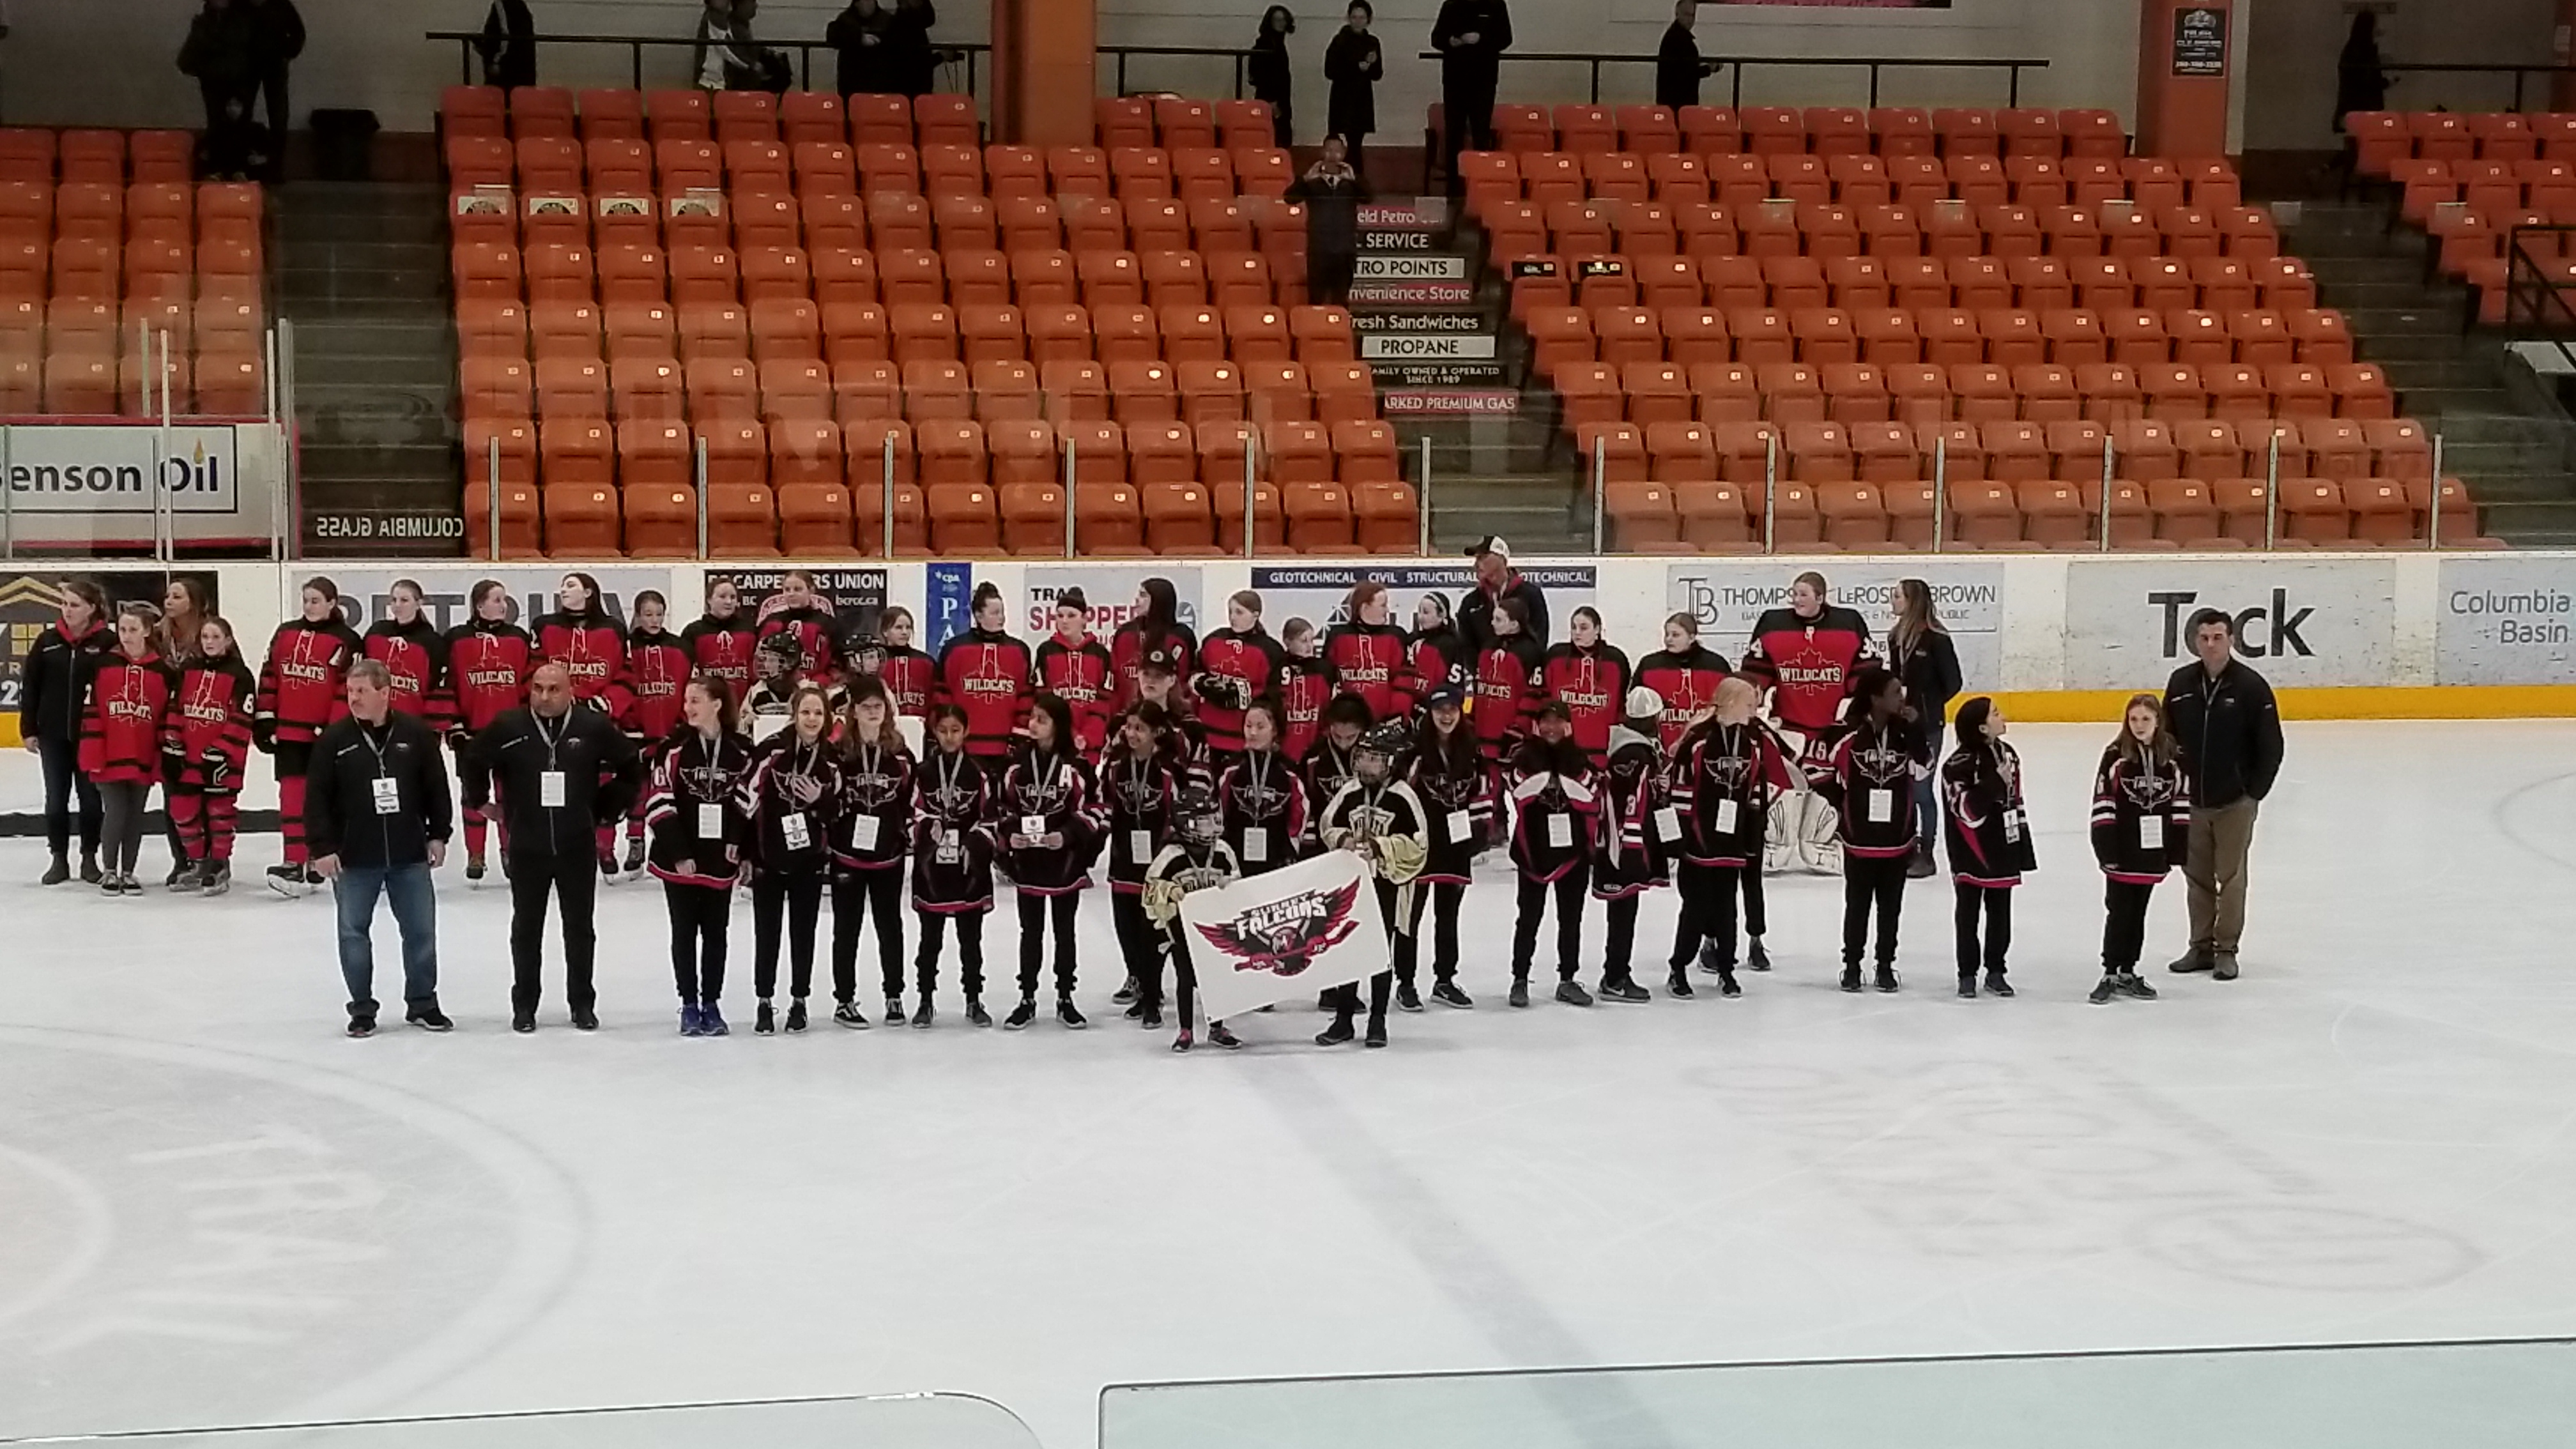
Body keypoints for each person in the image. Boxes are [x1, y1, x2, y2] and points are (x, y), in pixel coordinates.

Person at [475, 661, 644, 1032]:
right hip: (527, 844)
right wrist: (481, 801)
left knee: (579, 928)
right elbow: (473, 757)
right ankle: (524, 1006)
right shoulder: (510, 726)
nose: (545, 696)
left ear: (570, 692)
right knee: (526, 928)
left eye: (554, 689)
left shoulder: (591, 726)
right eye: (538, 688)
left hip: (576, 844)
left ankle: (582, 1003)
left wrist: (605, 808)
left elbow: (632, 767)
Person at [306, 659, 453, 1038]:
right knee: (353, 933)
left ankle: (423, 1003)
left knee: (421, 932)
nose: (353, 699)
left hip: (409, 853)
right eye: (350, 692)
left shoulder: (416, 734)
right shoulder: (334, 740)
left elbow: (436, 786)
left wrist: (439, 834)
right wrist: (322, 847)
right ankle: (362, 1009)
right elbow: (316, 798)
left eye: (361, 692)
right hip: (354, 857)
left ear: (385, 693)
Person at [2161, 608, 2282, 981]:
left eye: (2218, 637)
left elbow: (2271, 746)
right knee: (2196, 877)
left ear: (2231, 639)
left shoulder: (2251, 687)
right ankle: (2200, 946)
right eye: (2204, 638)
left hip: (2234, 803)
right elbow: (2167, 739)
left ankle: (2226, 949)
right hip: (2191, 802)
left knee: (2230, 878)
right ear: (2195, 641)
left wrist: (2252, 794)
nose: (2211, 645)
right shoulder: (2181, 683)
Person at [1666, 676, 1798, 997]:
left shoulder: (1749, 741)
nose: (1755, 710)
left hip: (1732, 840)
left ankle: (1726, 968)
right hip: (1700, 840)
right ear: (1731, 702)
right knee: (1696, 907)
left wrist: (1752, 831)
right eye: (1750, 703)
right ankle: (1679, 967)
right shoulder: (1698, 739)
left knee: (1727, 907)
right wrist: (1683, 836)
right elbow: (1680, 789)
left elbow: (1755, 787)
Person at [1742, 571, 1874, 875]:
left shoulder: (1849, 623)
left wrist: (1857, 714)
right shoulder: (1772, 623)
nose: (1796, 599)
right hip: (1788, 727)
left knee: (1828, 787)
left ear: (1821, 597)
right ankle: (1777, 841)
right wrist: (1752, 705)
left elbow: (1866, 675)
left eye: (1803, 594)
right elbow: (1756, 671)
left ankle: (1821, 841)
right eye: (1794, 593)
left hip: (1832, 731)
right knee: (1782, 784)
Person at [647, 676, 753, 1037]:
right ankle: (689, 1003)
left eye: (696, 700)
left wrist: (739, 843)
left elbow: (748, 802)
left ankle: (712, 1002)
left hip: (720, 857)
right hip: (680, 857)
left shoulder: (741, 750)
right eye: (687, 700)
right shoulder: (672, 748)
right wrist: (678, 852)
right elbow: (659, 800)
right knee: (684, 932)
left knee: (716, 932)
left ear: (717, 704)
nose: (688, 707)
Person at [1814, 666, 1929, 994]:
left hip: (1898, 836)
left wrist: (1916, 728)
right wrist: (1842, 801)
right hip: (1859, 837)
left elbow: (1924, 769)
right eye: (1895, 693)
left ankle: (1885, 966)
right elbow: (1814, 767)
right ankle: (1851, 966)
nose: (1901, 698)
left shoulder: (1905, 733)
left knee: (1891, 907)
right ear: (1875, 698)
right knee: (1858, 904)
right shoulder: (1845, 733)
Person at [1314, 720, 1428, 1046]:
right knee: (1347, 950)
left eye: (1373, 759)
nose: (1364, 765)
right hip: (1351, 887)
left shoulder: (1404, 796)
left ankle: (1378, 1020)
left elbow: (1419, 845)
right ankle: (1344, 1020)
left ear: (1391, 761)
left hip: (1387, 887)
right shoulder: (1349, 792)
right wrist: (1344, 839)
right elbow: (1327, 825)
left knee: (1380, 954)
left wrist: (1382, 847)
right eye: (1362, 757)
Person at [998, 693, 1103, 1030]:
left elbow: (1096, 811)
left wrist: (1069, 837)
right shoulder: (1016, 765)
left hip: (1064, 864)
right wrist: (1011, 835)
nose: (1033, 724)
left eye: (1042, 719)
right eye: (1032, 717)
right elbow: (1003, 810)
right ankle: (1027, 998)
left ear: (1058, 726)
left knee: (1064, 932)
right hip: (1029, 863)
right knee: (1030, 933)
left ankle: (1065, 997)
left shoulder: (1078, 767)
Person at [742, 682, 841, 1033]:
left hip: (809, 862)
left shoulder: (833, 758)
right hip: (769, 859)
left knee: (804, 933)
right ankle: (764, 1001)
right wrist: (748, 855)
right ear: (794, 715)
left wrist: (819, 800)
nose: (812, 719)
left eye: (818, 712)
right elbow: (745, 800)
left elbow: (841, 813)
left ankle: (800, 1000)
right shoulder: (771, 751)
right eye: (805, 712)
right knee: (766, 933)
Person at [256, 576, 360, 896]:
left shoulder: (348, 640)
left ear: (332, 603)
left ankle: (321, 859)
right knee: (290, 798)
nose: (310, 606)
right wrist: (265, 719)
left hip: (324, 738)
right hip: (289, 734)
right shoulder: (285, 633)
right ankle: (293, 861)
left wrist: (332, 728)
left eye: (316, 600)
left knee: (324, 802)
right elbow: (270, 676)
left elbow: (348, 689)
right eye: (306, 600)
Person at [2090, 694, 2188, 1006]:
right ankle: (2109, 970)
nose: (2139, 725)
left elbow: (2181, 803)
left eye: (2146, 719)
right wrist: (2107, 850)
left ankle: (2128, 970)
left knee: (2139, 912)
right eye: (2133, 719)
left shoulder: (2171, 757)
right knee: (2118, 910)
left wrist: (2176, 850)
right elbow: (2103, 802)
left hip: (2152, 850)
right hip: (2122, 849)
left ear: (2158, 721)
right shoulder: (2115, 756)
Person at [532, 571, 631, 873]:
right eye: (562, 585)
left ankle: (605, 848)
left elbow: (626, 675)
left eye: (571, 586)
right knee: (561, 785)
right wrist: (553, 700)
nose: (563, 590)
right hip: (556, 721)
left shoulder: (613, 629)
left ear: (589, 592)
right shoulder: (544, 626)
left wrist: (602, 704)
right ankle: (558, 846)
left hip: (598, 719)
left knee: (603, 783)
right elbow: (532, 670)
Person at [831, 680, 916, 1026]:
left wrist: (905, 834)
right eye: (865, 706)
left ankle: (894, 994)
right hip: (847, 854)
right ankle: (845, 1000)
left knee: (889, 925)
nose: (872, 712)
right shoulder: (838, 753)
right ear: (853, 711)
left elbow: (911, 801)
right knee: (846, 928)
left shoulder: (901, 754)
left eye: (877, 706)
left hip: (888, 855)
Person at [1503, 700, 1597, 1008]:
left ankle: (1568, 978)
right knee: (1528, 918)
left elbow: (1592, 792)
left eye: (1558, 722)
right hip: (1533, 851)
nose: (1551, 728)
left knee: (1571, 919)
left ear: (1569, 726)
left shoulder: (1580, 757)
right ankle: (1519, 978)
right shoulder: (1525, 757)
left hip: (1573, 852)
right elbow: (1518, 789)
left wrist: (1563, 773)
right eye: (1545, 722)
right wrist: (1549, 776)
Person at [1397, 686, 1488, 1008]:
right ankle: (1405, 981)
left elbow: (1483, 790)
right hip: (1421, 845)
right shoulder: (1414, 750)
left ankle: (1445, 979)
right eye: (1440, 710)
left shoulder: (1471, 748)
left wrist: (1480, 831)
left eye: (1452, 709)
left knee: (1448, 916)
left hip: (1455, 843)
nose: (1447, 716)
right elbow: (1401, 796)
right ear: (1430, 713)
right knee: (1411, 915)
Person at [910, 703, 998, 1026]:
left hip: (968, 869)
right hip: (932, 868)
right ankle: (924, 999)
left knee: (970, 941)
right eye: (943, 730)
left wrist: (973, 846)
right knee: (929, 942)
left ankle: (974, 999)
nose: (949, 737)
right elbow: (912, 812)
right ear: (935, 733)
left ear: (966, 732)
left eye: (955, 730)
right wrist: (926, 828)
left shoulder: (980, 772)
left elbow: (991, 818)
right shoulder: (923, 772)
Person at [440, 579, 533, 884]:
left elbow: (526, 685)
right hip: (472, 733)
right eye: (496, 599)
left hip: (510, 732)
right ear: (479, 605)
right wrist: (453, 726)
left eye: (505, 599)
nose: (503, 605)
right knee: (473, 796)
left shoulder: (518, 638)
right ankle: (475, 854)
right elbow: (448, 685)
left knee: (511, 795)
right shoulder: (456, 638)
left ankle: (510, 851)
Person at [81, 604, 176, 897]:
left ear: (147, 631)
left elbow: (164, 717)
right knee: (116, 812)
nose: (126, 636)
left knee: (136, 814)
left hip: (144, 755)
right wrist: (93, 753)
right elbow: (92, 711)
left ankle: (128, 871)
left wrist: (162, 755)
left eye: (133, 630)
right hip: (108, 755)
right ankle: (109, 870)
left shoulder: (162, 671)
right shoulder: (104, 665)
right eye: (122, 630)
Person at [1142, 783, 1246, 1051]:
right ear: (1186, 823)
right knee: (1185, 978)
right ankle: (1185, 1029)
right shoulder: (1171, 855)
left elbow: (1238, 879)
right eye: (1203, 822)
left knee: (1215, 978)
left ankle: (1217, 1026)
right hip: (1181, 931)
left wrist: (1230, 884)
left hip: (1215, 929)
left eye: (1214, 820)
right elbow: (1150, 887)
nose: (1211, 828)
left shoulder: (1223, 851)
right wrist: (1170, 890)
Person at [21, 579, 112, 885]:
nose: (68, 610)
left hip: (92, 735)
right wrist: (29, 728)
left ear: (92, 609)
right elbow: (30, 686)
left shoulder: (107, 642)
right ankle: (58, 859)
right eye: (64, 604)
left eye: (75, 605)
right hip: (53, 734)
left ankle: (89, 858)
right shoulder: (47, 641)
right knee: (55, 799)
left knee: (90, 798)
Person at [1942, 697, 2030, 1000]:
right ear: (1982, 727)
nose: (2003, 716)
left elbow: (2016, 801)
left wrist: (2022, 843)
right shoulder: (1957, 764)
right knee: (1968, 913)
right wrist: (1994, 782)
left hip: (2003, 845)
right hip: (1970, 848)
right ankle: (1967, 973)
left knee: (2001, 911)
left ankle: (1996, 970)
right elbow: (1965, 809)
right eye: (1995, 714)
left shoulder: (2010, 755)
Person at [1106, 702, 1186, 1029]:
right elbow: (1106, 808)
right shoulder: (1116, 768)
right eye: (1129, 726)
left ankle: (1153, 998)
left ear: (1157, 733)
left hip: (1157, 866)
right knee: (1127, 932)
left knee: (1152, 934)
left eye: (1140, 728)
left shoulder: (1169, 772)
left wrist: (1169, 858)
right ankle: (1140, 987)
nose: (1132, 733)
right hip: (1123, 862)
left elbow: (1178, 817)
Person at [167, 616, 257, 896]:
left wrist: (221, 749)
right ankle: (199, 862)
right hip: (188, 755)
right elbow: (174, 708)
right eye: (205, 637)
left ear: (228, 641)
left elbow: (243, 717)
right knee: (182, 808)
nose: (210, 643)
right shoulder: (187, 669)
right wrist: (173, 743)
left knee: (219, 813)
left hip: (222, 760)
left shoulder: (240, 675)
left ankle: (219, 864)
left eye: (216, 637)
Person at [1590, 686, 1669, 1004]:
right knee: (1624, 910)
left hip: (1620, 842)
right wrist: (1632, 848)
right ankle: (1615, 976)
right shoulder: (1635, 753)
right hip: (1624, 846)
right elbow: (1631, 804)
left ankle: (1617, 973)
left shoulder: (1629, 747)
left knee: (1624, 910)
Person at [1886, 577, 1960, 878]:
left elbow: (1953, 682)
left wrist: (1927, 705)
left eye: (1898, 597)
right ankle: (1906, 847)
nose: (1893, 601)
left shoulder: (1936, 639)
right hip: (1900, 723)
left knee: (1921, 790)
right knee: (1901, 788)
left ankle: (1927, 853)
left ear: (1913, 601)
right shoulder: (1895, 638)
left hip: (1927, 726)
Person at [620, 591, 691, 877]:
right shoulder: (627, 647)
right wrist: (629, 725)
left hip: (668, 733)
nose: (654, 620)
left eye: (659, 614)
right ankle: (635, 841)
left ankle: (665, 844)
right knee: (638, 790)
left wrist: (682, 724)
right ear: (637, 615)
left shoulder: (680, 648)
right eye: (648, 614)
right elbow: (622, 686)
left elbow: (687, 687)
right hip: (636, 733)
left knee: (665, 793)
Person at [933, 581, 1034, 760]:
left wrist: (1019, 737)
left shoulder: (1020, 651)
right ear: (979, 616)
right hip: (963, 746)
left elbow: (1026, 698)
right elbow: (943, 696)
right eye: (995, 613)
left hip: (1006, 748)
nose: (1002, 618)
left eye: (1003, 612)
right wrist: (950, 735)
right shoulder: (955, 649)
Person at [1215, 695, 1307, 887]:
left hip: (1276, 862)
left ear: (1275, 731)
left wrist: (1290, 852)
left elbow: (1298, 816)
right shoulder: (1231, 768)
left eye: (1260, 726)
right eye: (1248, 726)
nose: (1253, 733)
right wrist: (1222, 853)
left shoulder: (1289, 771)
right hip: (1236, 860)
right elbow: (1219, 812)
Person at [1194, 590, 1286, 766]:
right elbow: (1193, 674)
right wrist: (1203, 684)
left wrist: (1241, 694)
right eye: (1230, 612)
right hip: (1208, 734)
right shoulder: (1214, 640)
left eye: (1239, 612)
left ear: (1256, 615)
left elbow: (1276, 696)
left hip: (1244, 738)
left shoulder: (1271, 650)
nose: (1232, 617)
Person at [1430, 0, 1512, 193]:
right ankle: (1453, 188)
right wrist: (1452, 41)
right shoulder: (1451, 5)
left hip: (1484, 80)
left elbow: (1506, 38)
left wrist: (1481, 38)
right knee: (1454, 134)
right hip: (1455, 80)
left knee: (1481, 133)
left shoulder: (1496, 5)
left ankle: (1481, 185)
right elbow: (1436, 38)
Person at [178, 0, 262, 180]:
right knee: (216, 123)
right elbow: (193, 50)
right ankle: (217, 169)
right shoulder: (203, 22)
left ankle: (238, 168)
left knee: (240, 125)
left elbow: (246, 45)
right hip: (214, 80)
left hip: (239, 79)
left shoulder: (244, 20)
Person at [1540, 606, 1630, 769]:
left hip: (1602, 752)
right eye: (1573, 628)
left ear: (1597, 629)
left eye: (1584, 628)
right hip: (1562, 750)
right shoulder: (1555, 656)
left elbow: (1621, 705)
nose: (1577, 633)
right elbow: (1544, 700)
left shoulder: (1616, 660)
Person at [1034, 588, 1116, 760]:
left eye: (1071, 616)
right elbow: (1043, 700)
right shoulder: (1045, 651)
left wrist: (1086, 737)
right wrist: (1067, 735)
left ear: (1085, 619)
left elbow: (1103, 703)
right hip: (1056, 742)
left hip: (1089, 746)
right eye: (1060, 616)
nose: (1064, 621)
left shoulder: (1100, 654)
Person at [1635, 611, 1731, 755]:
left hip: (1705, 751)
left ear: (1692, 637)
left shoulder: (1717, 665)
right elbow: (1636, 708)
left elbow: (1729, 707)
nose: (1668, 639)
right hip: (1659, 751)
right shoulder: (1649, 665)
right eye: (1666, 634)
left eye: (1675, 635)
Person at [1289, 137, 1368, 307]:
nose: (1333, 155)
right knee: (1316, 299)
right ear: (1322, 152)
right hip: (1319, 250)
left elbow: (1368, 197)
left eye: (1337, 151)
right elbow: (1289, 198)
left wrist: (1354, 179)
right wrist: (1306, 178)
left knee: (1340, 300)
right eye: (1329, 150)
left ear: (1344, 154)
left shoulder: (1352, 183)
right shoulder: (1313, 183)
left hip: (1345, 250)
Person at [1466, 594, 1542, 765]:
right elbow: (1477, 688)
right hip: (1482, 738)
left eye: (1499, 620)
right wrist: (1470, 720)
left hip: (1511, 741)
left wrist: (1517, 731)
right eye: (1493, 618)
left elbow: (1534, 697)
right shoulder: (1488, 647)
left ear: (1514, 624)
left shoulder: (1530, 652)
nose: (1492, 623)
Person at [362, 579, 448, 728]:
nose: (398, 605)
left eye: (404, 600)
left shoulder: (432, 642)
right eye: (394, 600)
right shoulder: (377, 632)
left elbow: (436, 688)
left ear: (419, 603)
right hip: (373, 721)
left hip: (412, 725)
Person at [1324, 580, 1411, 721]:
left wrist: (1397, 716)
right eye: (1383, 605)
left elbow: (1405, 681)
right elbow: (1326, 681)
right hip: (1347, 724)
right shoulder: (1338, 636)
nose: (1387, 610)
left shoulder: (1396, 636)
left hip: (1387, 723)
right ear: (1364, 608)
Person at [1110, 579, 1196, 710]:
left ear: (1159, 600)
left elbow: (1187, 680)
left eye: (1143, 595)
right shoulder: (1125, 633)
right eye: (1138, 594)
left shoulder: (1181, 637)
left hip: (1170, 717)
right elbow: (1116, 681)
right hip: (1129, 717)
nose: (1136, 600)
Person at [245, 0, 303, 178]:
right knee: (243, 113)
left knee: (278, 116)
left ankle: (276, 166)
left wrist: (286, 53)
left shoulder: (281, 5)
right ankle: (242, 164)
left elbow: (298, 34)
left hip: (274, 65)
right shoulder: (242, 6)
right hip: (248, 65)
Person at [1456, 535, 1547, 649]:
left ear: (1501, 559)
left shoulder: (1530, 595)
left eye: (1483, 557)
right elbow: (1466, 647)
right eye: (1476, 559)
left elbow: (1539, 640)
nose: (1476, 564)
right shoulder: (1471, 602)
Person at [756, 569, 842, 686]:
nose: (791, 594)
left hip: (816, 690)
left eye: (798, 589)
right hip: (776, 688)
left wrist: (817, 683)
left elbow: (836, 665)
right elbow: (759, 659)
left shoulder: (827, 624)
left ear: (811, 590)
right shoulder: (771, 622)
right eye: (787, 590)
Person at [1322, 1, 1382, 164]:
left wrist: (1372, 65)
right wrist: (1357, 67)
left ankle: (1355, 176)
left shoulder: (1372, 42)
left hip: (1362, 96)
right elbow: (1330, 71)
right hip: (1342, 95)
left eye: (1362, 17)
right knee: (1339, 137)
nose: (1358, 21)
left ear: (1368, 19)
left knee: (1356, 143)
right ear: (1349, 18)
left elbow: (1377, 74)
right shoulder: (1339, 41)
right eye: (1354, 17)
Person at [684, 577, 760, 700]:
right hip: (707, 704)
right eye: (722, 597)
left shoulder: (750, 630)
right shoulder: (694, 632)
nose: (729, 602)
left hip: (743, 705)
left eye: (733, 597)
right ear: (709, 600)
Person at [1275, 618, 1338, 765]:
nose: (1310, 646)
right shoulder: (1278, 668)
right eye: (1304, 641)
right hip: (1286, 748)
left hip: (1315, 744)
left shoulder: (1323, 669)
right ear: (1287, 642)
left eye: (1312, 641)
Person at [870, 604, 937, 721]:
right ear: (885, 631)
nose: (905, 632)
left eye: (908, 628)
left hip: (920, 726)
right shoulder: (874, 661)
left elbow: (935, 697)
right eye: (899, 628)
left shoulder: (926, 662)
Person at [1405, 590, 1469, 712]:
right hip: (1413, 707)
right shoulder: (1413, 639)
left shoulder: (1450, 643)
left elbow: (1454, 684)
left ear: (1442, 615)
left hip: (1437, 708)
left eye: (1426, 612)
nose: (1421, 617)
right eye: (1419, 611)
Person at [1303, 692, 1370, 806]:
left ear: (1362, 730)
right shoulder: (1314, 757)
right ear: (1330, 728)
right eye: (1337, 736)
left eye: (1350, 737)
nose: (1343, 744)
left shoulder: (1375, 755)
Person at [1655, 0, 1721, 112]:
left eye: (1693, 15)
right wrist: (1709, 69)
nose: (1690, 19)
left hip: (1676, 100)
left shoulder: (1676, 36)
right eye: (1687, 14)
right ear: (1677, 14)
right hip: (1677, 101)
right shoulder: (1678, 39)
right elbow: (1685, 72)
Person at [827, 0, 899, 97]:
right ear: (857, 4)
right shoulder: (846, 19)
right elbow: (833, 36)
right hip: (853, 80)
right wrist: (858, 38)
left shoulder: (886, 20)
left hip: (881, 80)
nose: (869, 4)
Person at [1248, 6, 1297, 150]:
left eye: (1283, 20)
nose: (1281, 23)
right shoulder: (1265, 44)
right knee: (1275, 141)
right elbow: (1260, 75)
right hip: (1271, 100)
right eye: (1277, 20)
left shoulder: (1277, 43)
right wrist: (1272, 101)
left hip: (1280, 98)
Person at [2334, 10, 2390, 134]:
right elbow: (2366, 80)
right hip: (2364, 107)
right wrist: (2385, 83)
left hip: (2354, 107)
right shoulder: (2364, 51)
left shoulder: (2352, 49)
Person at [694, 0, 763, 92]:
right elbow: (727, 49)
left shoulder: (722, 19)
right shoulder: (715, 18)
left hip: (716, 80)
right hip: (712, 81)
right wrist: (750, 65)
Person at [477, 0, 538, 89]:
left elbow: (505, 36)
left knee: (499, 100)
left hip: (507, 70)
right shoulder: (521, 6)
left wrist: (495, 60)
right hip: (524, 71)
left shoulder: (502, 5)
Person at [889, 0, 939, 98]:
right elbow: (915, 62)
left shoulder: (910, 23)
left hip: (914, 88)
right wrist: (941, 57)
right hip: (908, 88)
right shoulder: (905, 25)